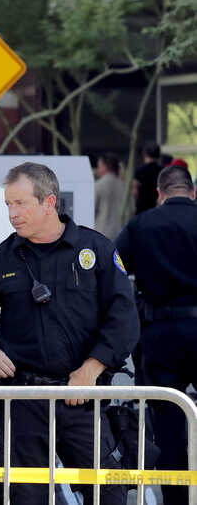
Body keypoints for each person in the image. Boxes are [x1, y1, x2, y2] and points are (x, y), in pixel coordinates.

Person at [0, 162, 138, 505]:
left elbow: (123, 321)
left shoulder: (95, 250)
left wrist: (90, 370)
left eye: (21, 203)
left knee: (108, 494)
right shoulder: (4, 257)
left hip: (82, 399)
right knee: (22, 497)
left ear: (49, 202)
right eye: (8, 204)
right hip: (24, 402)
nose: (12, 214)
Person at [115, 165, 197, 505]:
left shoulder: (140, 225)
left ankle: (178, 498)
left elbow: (115, 267)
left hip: (159, 334)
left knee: (167, 422)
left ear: (159, 194)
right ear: (192, 193)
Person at [94, 153, 126, 240]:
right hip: (121, 234)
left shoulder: (98, 185)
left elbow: (91, 209)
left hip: (101, 234)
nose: (98, 169)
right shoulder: (124, 186)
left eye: (99, 166)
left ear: (105, 167)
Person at [133, 141, 163, 214]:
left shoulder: (139, 171)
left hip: (143, 210)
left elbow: (135, 193)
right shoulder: (164, 171)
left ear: (144, 154)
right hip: (159, 210)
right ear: (159, 155)